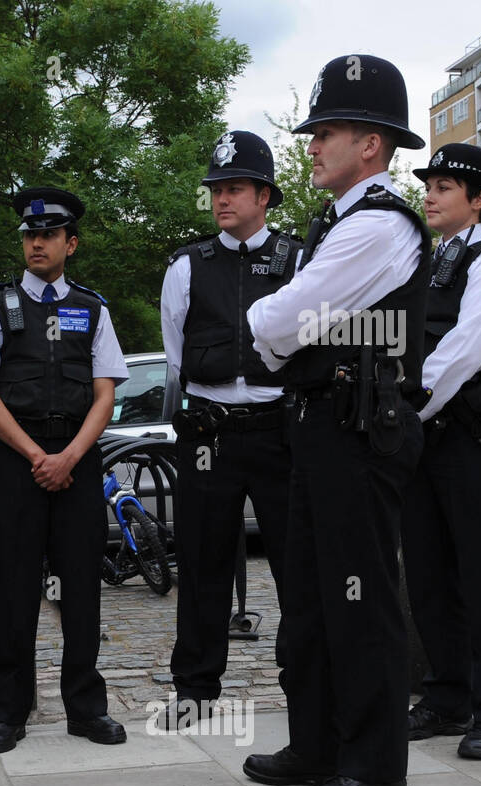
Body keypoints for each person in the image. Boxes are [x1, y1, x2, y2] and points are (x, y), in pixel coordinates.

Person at [240, 55, 433, 786]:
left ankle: (378, 768)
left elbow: (281, 320)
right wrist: (281, 331)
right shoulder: (342, 220)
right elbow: (292, 326)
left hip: (359, 423)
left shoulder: (380, 224)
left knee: (361, 599)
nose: (313, 144)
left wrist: (272, 327)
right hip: (322, 420)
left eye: (328, 132)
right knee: (314, 599)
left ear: (372, 147)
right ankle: (319, 743)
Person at [0, 186, 129, 754]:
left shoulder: (94, 309)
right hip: (16, 461)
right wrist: (36, 456)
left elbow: (105, 393)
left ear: (70, 244)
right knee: (15, 589)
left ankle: (86, 709)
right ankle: (9, 711)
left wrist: (70, 456)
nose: (37, 243)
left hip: (76, 458)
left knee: (81, 588)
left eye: (49, 235)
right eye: (30, 235)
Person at [160, 131, 302, 727]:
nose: (222, 199)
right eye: (217, 189)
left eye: (235, 188)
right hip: (209, 431)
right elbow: (174, 354)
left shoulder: (299, 258)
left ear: (264, 194)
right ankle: (195, 686)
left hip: (280, 430)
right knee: (201, 561)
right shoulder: (188, 265)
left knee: (299, 565)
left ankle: (305, 682)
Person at [403, 143, 481, 760]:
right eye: (429, 184)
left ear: (479, 200)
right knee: (428, 576)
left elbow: (460, 355)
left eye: (446, 186)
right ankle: (448, 696)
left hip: (479, 442)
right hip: (429, 440)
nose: (430, 194)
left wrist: (404, 412)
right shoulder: (430, 264)